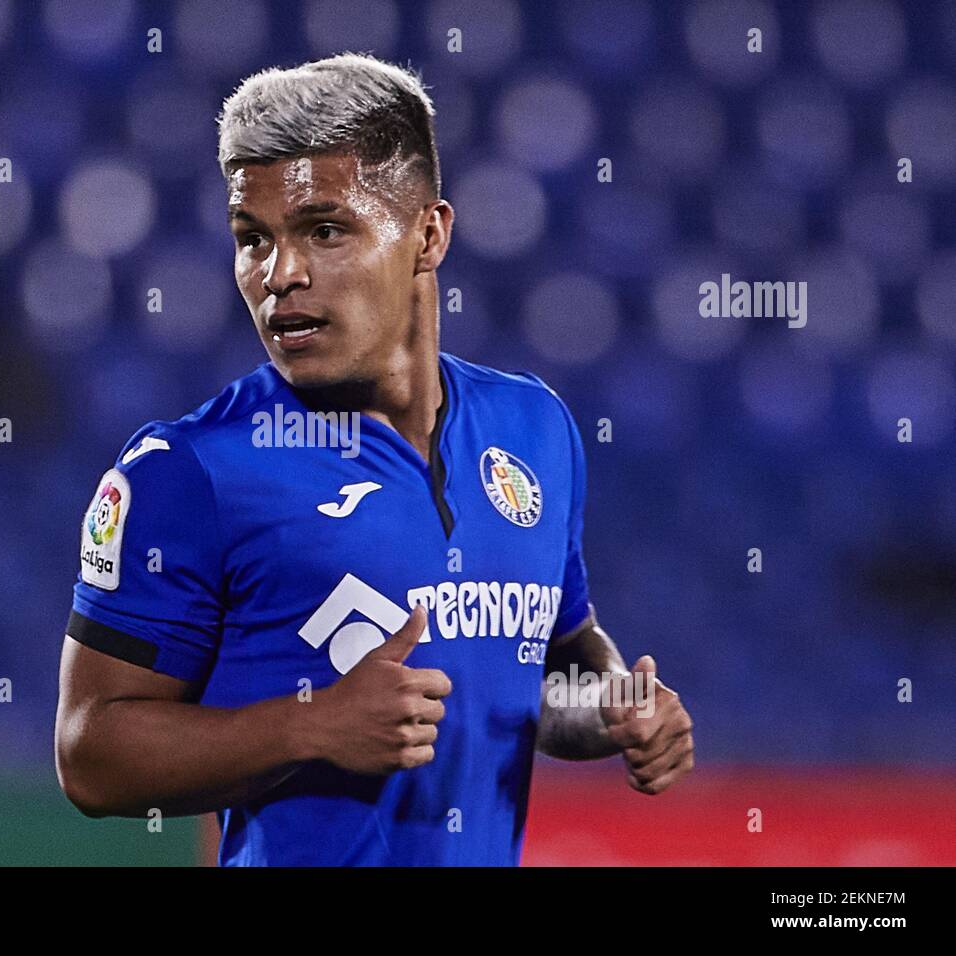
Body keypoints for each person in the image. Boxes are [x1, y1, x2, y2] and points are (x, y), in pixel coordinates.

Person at [55, 52, 694, 866]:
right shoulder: (187, 471)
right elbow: (90, 756)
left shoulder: (534, 428)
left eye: (325, 229)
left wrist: (614, 708)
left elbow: (548, 664)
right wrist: (310, 726)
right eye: (254, 239)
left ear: (428, 234)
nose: (280, 275)